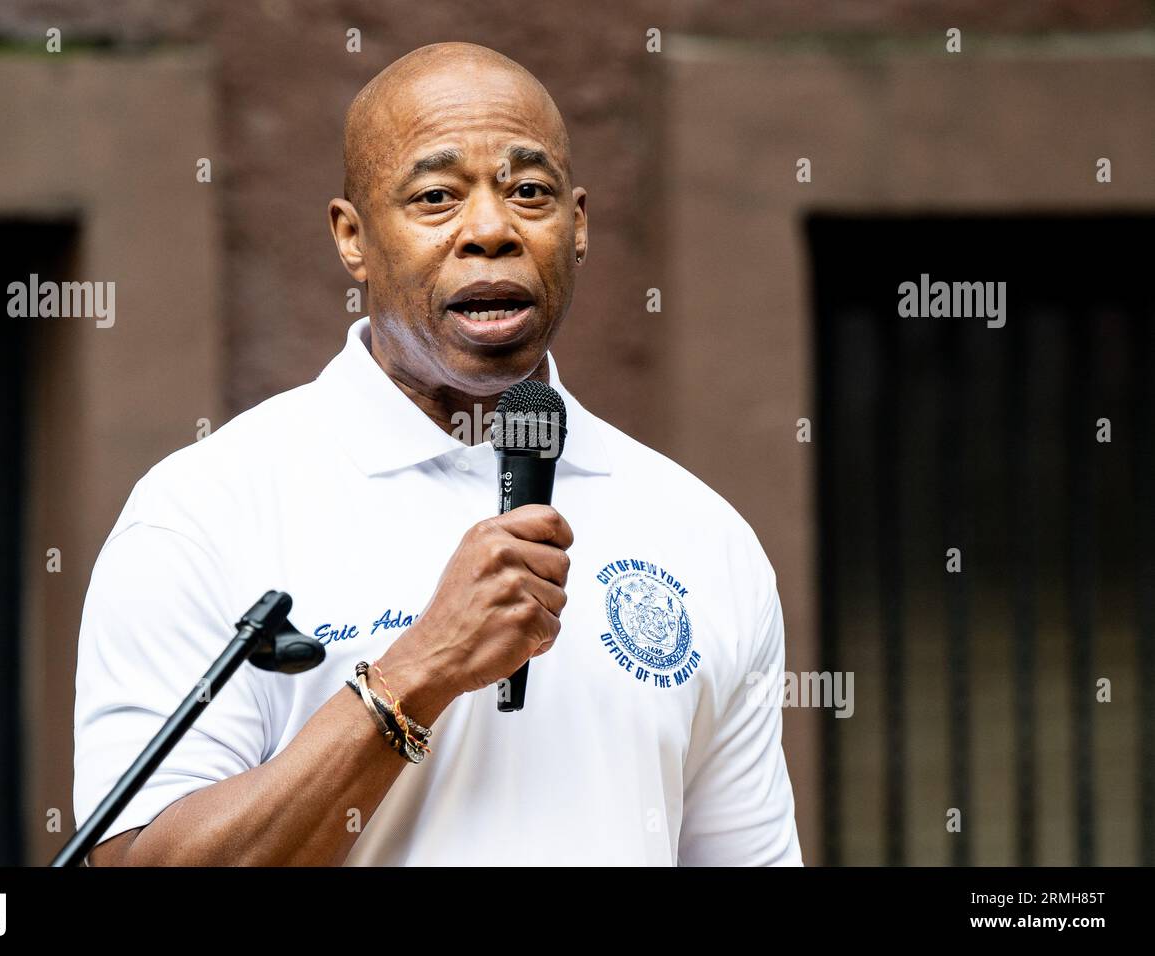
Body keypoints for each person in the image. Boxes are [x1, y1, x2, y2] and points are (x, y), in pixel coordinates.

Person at [74, 41, 802, 866]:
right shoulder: (205, 512)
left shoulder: (703, 534)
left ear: (579, 223)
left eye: (530, 192)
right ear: (352, 237)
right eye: (435, 197)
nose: (491, 230)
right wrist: (418, 672)